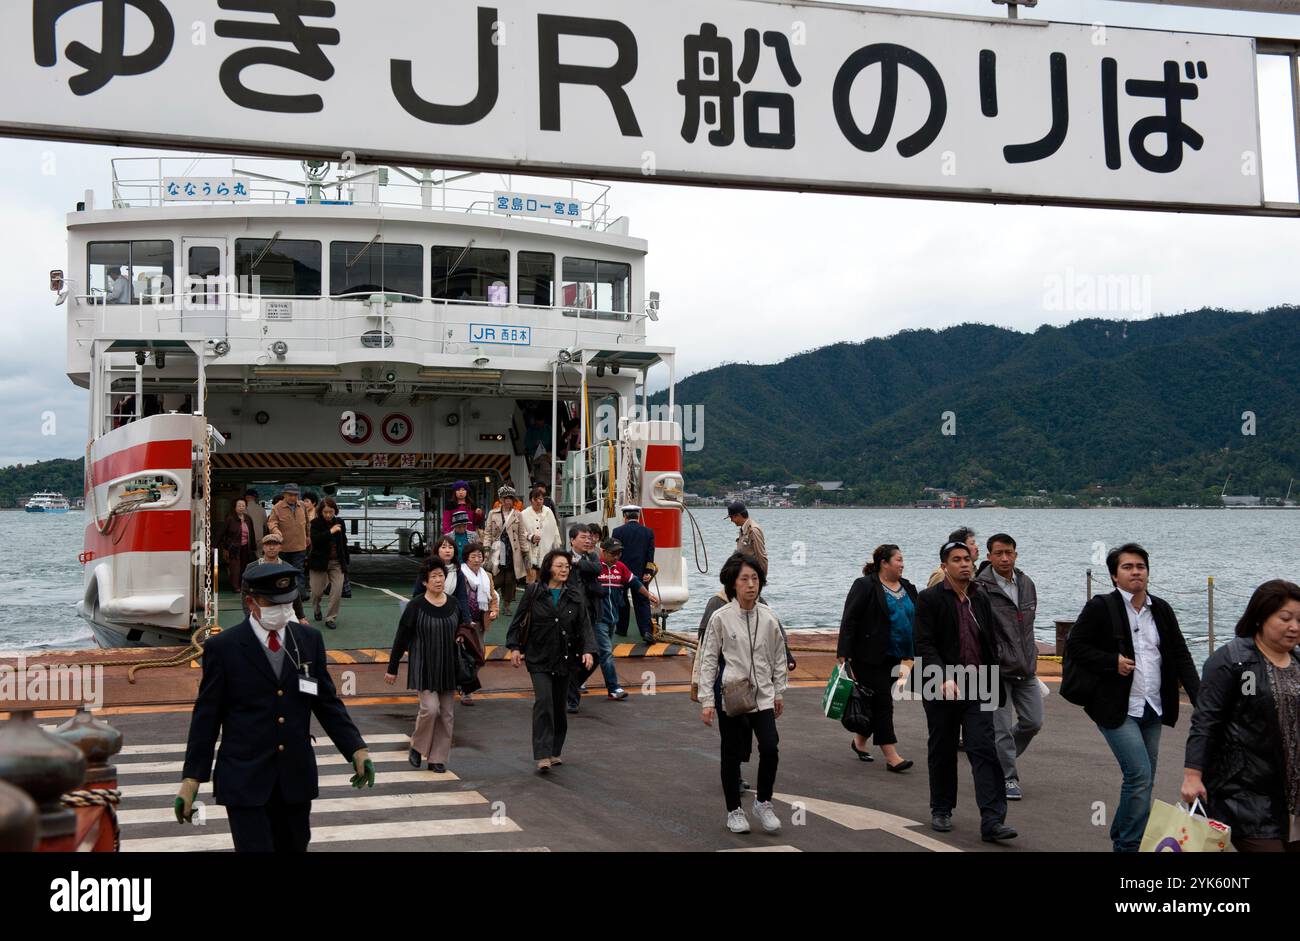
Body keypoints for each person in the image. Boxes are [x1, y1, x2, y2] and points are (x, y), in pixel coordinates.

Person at [175, 562, 374, 850]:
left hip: (294, 777)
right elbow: (207, 716)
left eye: (286, 602)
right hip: (244, 778)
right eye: (272, 603)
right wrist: (192, 779)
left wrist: (356, 748)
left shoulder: (308, 640)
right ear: (251, 602)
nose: (281, 610)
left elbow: (327, 702)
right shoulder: (224, 648)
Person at [1063, 542, 1200, 852]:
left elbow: (1179, 654)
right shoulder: (1101, 607)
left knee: (1146, 778)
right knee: (1138, 773)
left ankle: (1126, 834)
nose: (1136, 572)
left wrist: (1201, 699)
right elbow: (1076, 647)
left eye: (1140, 566)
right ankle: (1128, 844)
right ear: (1114, 576)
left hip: (1152, 704)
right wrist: (1111, 661)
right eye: (1127, 567)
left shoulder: (1161, 609)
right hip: (1115, 706)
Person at [1183, 579, 1300, 852]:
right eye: (1285, 618)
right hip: (1244, 792)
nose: (1294, 627)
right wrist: (1192, 774)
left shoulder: (1298, 662)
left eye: (1299, 620)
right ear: (1260, 617)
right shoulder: (1231, 661)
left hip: (1293, 794)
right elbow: (1206, 720)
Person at [914, 540, 1017, 842]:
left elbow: (990, 639)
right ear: (944, 566)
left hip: (978, 684)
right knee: (943, 747)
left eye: (968, 559)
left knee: (983, 748)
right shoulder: (929, 599)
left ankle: (992, 820)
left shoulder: (980, 598)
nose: (965, 564)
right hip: (940, 683)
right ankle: (941, 808)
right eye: (957, 560)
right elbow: (923, 643)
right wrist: (943, 676)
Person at [697, 553, 788, 835]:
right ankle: (734, 810)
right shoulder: (720, 618)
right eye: (745, 579)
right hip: (733, 696)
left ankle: (763, 802)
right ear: (733, 584)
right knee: (732, 754)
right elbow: (708, 660)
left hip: (762, 696)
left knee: (770, 747)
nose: (751, 585)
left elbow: (779, 656)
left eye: (756, 579)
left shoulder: (769, 617)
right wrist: (707, 701)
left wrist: (779, 691)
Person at [506, 550, 596, 773]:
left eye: (566, 566)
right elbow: (518, 621)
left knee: (558, 706)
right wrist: (515, 647)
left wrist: (588, 650)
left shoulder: (575, 595)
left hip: (565, 658)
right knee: (544, 702)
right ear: (548, 568)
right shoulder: (534, 592)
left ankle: (555, 750)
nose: (564, 569)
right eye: (559, 566)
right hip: (538, 657)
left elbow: (584, 626)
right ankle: (542, 754)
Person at [974, 533, 1043, 801]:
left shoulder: (1027, 583)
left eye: (1009, 552)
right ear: (989, 556)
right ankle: (1008, 777)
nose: (1005, 558)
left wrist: (1031, 655)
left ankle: (997, 759)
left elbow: (1028, 625)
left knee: (1033, 721)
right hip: (994, 670)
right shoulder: (980, 588)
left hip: (1025, 667)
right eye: (999, 553)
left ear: (1016, 554)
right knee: (1000, 728)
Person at [837, 544, 917, 771]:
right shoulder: (865, 586)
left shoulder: (908, 587)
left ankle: (859, 742)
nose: (902, 564)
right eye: (898, 560)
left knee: (873, 702)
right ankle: (892, 756)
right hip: (869, 655)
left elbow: (918, 617)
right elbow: (850, 618)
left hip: (898, 655)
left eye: (903, 560)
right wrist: (844, 651)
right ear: (884, 563)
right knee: (883, 702)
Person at [385, 559, 461, 773]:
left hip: (448, 666)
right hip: (424, 665)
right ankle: (417, 746)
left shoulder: (454, 604)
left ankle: (437, 758)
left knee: (447, 714)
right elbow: (401, 638)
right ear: (425, 582)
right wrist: (392, 668)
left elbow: (462, 630)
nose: (438, 580)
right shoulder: (416, 605)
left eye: (441, 576)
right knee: (430, 709)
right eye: (433, 577)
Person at [458, 541, 498, 705]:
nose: (476, 559)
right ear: (466, 558)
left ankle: (464, 683)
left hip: (480, 622)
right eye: (473, 556)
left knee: (479, 656)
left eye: (479, 556)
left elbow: (492, 596)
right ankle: (465, 690)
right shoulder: (459, 574)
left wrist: (494, 609)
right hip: (463, 623)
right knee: (462, 656)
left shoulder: (487, 576)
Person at [612, 504, 656, 644]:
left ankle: (622, 629)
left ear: (625, 516)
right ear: (637, 516)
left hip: (622, 572)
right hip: (641, 572)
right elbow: (650, 554)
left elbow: (615, 553)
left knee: (621, 599)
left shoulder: (617, 531)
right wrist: (648, 571)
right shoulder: (648, 532)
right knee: (642, 601)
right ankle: (646, 631)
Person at [410, 536, 474, 626]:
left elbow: (462, 598)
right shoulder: (427, 569)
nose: (447, 550)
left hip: (450, 615)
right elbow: (417, 594)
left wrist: (467, 620)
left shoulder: (457, 571)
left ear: (455, 551)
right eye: (443, 547)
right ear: (437, 550)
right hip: (428, 613)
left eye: (450, 547)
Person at [307, 497, 348, 631]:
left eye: (331, 512)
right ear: (321, 512)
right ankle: (316, 608)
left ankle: (330, 618)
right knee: (317, 592)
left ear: (335, 511)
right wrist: (330, 532)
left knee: (337, 591)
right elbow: (316, 540)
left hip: (337, 562)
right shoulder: (315, 523)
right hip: (319, 562)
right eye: (325, 512)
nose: (328, 515)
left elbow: (344, 542)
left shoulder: (340, 522)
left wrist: (346, 560)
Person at [485, 484, 528, 610]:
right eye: (505, 498)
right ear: (501, 500)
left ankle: (507, 604)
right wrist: (486, 548)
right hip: (497, 549)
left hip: (512, 550)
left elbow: (521, 534)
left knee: (510, 579)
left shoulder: (518, 514)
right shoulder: (493, 513)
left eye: (510, 498)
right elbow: (488, 532)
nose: (508, 500)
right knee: (496, 578)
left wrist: (525, 551)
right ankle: (492, 600)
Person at [267, 483, 310, 598]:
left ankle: (300, 594)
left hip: (300, 545)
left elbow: (307, 522)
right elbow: (271, 522)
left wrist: (308, 536)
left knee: (299, 570)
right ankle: (283, 593)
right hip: (283, 547)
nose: (293, 497)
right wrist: (276, 531)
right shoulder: (277, 507)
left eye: (295, 495)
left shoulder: (302, 505)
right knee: (283, 572)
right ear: (284, 495)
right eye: (290, 495)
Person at [255, 532, 309, 624]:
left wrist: (301, 617)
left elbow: (295, 593)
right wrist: (249, 615)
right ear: (263, 547)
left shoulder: (288, 569)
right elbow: (245, 593)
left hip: (285, 611)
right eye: (268, 544)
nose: (271, 547)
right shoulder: (253, 568)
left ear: (280, 548)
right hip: (261, 610)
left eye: (275, 544)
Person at [520, 485, 562, 584]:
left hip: (546, 549)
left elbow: (554, 529)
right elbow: (521, 532)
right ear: (531, 500)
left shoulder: (548, 512)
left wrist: (557, 546)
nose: (539, 501)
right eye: (536, 499)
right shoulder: (524, 514)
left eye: (541, 499)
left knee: (543, 577)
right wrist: (531, 537)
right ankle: (530, 597)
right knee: (531, 576)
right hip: (529, 550)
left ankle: (541, 597)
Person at [221, 499, 257, 595]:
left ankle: (243, 585)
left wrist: (253, 548)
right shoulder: (230, 518)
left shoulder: (248, 518)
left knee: (244, 567)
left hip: (246, 546)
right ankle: (235, 587)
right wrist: (217, 546)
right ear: (235, 507)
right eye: (239, 505)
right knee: (235, 567)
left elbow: (252, 533)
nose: (241, 507)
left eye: (243, 505)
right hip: (234, 547)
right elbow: (222, 532)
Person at [727, 502, 768, 578]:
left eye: (731, 517)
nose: (731, 520)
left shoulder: (753, 531)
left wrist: (762, 579)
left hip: (752, 577)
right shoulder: (743, 529)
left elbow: (761, 556)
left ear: (738, 515)